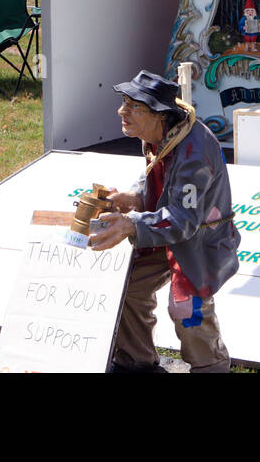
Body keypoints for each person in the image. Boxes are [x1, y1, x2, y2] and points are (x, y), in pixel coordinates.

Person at [90, 70, 239, 373]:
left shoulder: (195, 150)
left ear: (159, 115)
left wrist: (132, 224)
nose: (123, 112)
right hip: (164, 232)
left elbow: (183, 218)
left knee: (187, 307)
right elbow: (157, 180)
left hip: (199, 243)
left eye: (134, 106)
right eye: (124, 103)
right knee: (130, 287)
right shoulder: (158, 136)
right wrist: (134, 197)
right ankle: (136, 362)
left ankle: (211, 367)